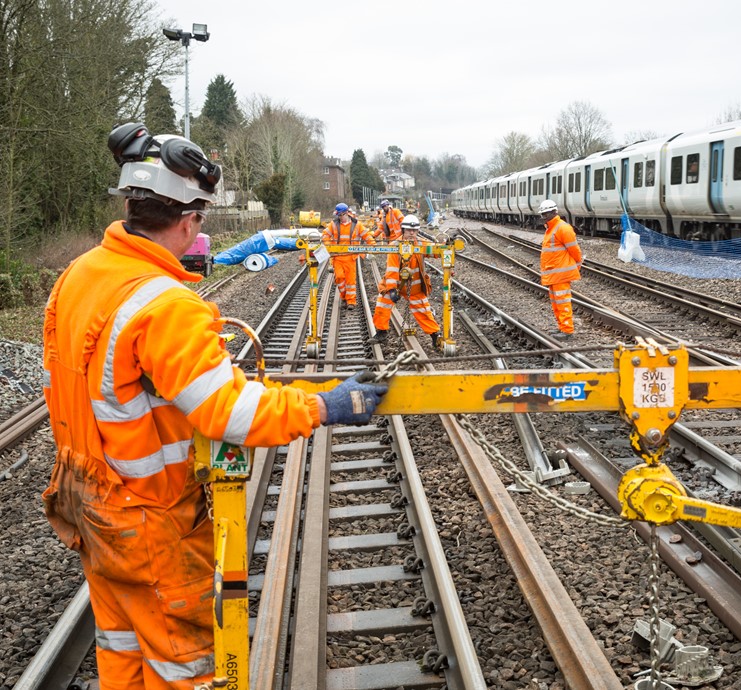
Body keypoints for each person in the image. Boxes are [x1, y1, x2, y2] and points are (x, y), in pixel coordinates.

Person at [41, 123, 389, 690]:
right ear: (188, 219)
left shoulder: (79, 276)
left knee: (123, 652)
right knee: (182, 666)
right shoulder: (164, 304)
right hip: (150, 526)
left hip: (89, 506)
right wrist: (321, 407)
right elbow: (226, 412)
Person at [370, 214, 441, 348]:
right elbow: (391, 270)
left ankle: (434, 335)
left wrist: (446, 246)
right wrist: (391, 290)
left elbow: (436, 251)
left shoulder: (421, 244)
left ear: (418, 231)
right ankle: (381, 332)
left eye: (414, 230)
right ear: (403, 230)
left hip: (414, 288)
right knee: (382, 304)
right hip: (395, 286)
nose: (412, 233)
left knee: (424, 311)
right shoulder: (395, 246)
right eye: (409, 230)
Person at [538, 199, 582, 340]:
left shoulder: (563, 228)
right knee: (557, 303)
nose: (544, 217)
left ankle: (567, 330)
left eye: (546, 214)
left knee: (562, 302)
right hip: (553, 274)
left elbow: (575, 250)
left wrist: (577, 264)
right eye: (542, 214)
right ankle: (562, 328)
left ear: (554, 212)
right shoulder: (551, 228)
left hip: (560, 274)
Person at [322, 202, 375, 310]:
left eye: (343, 215)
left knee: (351, 281)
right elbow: (325, 235)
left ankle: (351, 301)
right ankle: (344, 296)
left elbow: (366, 235)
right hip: (338, 257)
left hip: (351, 257)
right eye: (339, 216)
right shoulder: (333, 224)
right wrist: (329, 247)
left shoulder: (357, 225)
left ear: (347, 213)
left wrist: (373, 246)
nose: (341, 217)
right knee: (339, 278)